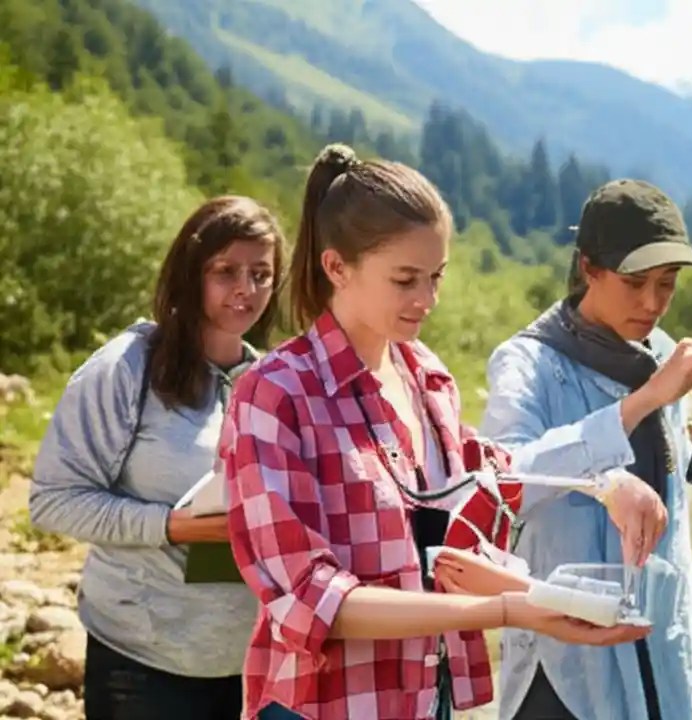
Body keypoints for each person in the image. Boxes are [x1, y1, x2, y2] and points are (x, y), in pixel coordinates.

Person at [219, 145, 649, 720]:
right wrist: (507, 610)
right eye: (405, 280)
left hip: (427, 697)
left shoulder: (427, 377)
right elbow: (312, 601)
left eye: (436, 276)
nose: (426, 300)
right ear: (336, 268)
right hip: (322, 706)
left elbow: (490, 479)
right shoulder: (274, 395)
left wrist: (603, 483)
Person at [480, 178, 692, 720]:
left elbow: (658, 476)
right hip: (565, 668)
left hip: (659, 649)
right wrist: (650, 396)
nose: (653, 302)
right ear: (588, 267)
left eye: (668, 283)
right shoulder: (528, 363)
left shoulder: (657, 352)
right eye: (636, 282)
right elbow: (503, 484)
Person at [29, 195, 285, 719]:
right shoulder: (126, 370)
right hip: (142, 662)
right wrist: (175, 527)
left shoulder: (268, 382)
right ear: (190, 273)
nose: (246, 288)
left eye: (261, 273)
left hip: (245, 664)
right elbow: (53, 502)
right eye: (226, 271)